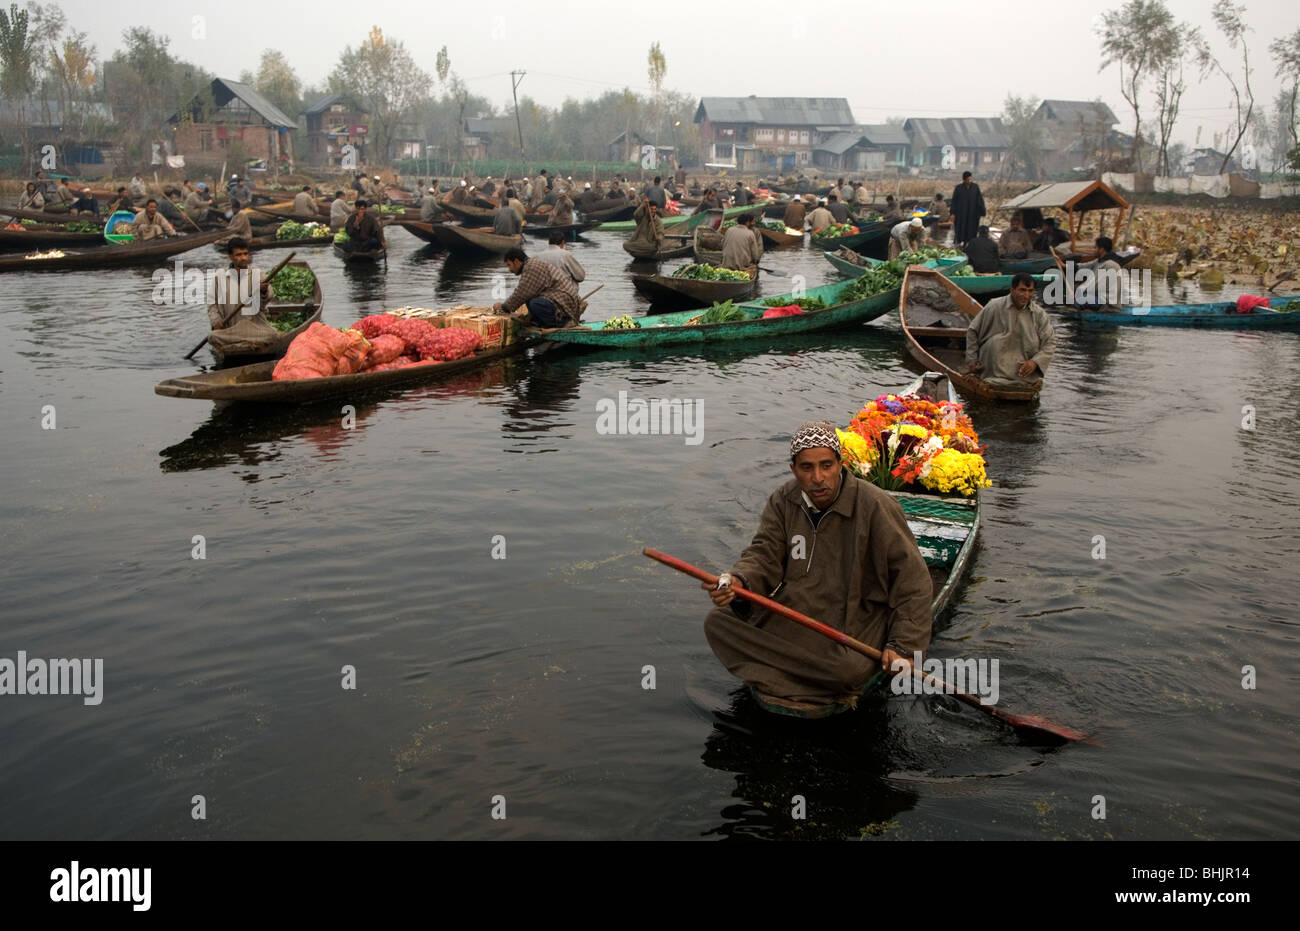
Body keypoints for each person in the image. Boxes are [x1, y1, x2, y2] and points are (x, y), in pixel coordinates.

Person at [701, 421, 934, 714]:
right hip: (798, 611)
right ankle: (810, 682)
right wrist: (737, 581)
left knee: (847, 668)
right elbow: (763, 554)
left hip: (854, 618)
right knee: (717, 623)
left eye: (826, 465)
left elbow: (913, 582)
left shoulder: (876, 506)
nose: (818, 478)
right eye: (807, 468)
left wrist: (903, 647)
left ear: (840, 464)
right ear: (793, 468)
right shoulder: (783, 501)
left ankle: (783, 676)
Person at [965, 272, 1056, 390]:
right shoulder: (994, 306)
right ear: (1012, 290)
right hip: (993, 369)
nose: (1026, 295)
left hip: (1023, 370)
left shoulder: (1038, 314)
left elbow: (1050, 342)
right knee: (996, 342)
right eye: (1022, 290)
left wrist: (1035, 362)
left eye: (1030, 291)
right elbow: (973, 331)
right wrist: (972, 360)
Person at [492, 247, 582, 328]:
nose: (510, 269)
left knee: (535, 303)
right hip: (560, 298)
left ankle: (561, 323)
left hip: (565, 301)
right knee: (531, 299)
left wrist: (504, 307)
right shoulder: (530, 265)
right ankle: (539, 321)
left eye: (509, 265)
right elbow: (526, 293)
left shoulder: (532, 267)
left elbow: (521, 293)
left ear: (516, 262)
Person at [207, 236, 275, 338]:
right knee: (213, 337)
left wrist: (263, 291)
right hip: (230, 328)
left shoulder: (258, 274)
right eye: (238, 255)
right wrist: (216, 321)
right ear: (230, 256)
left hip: (255, 326)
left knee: (272, 336)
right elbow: (212, 304)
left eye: (245, 254)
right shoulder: (220, 277)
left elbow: (266, 300)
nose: (243, 258)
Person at [950, 170, 985, 247]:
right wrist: (952, 213)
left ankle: (970, 244)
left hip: (973, 214)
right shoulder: (958, 188)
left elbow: (980, 200)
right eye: (968, 179)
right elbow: (954, 201)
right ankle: (959, 244)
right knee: (960, 229)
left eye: (970, 179)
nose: (970, 181)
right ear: (964, 180)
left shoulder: (975, 187)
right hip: (961, 214)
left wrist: (982, 211)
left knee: (972, 230)